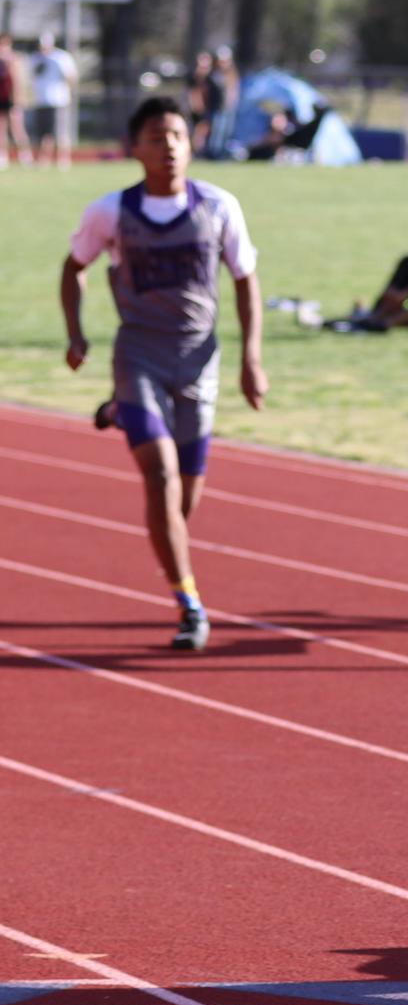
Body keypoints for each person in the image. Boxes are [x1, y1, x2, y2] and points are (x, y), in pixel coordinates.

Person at [59, 97, 266, 651]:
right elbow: (73, 268)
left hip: (199, 360)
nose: (168, 145)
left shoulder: (219, 205)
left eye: (176, 134)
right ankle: (190, 605)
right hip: (139, 354)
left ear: (191, 143)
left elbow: (245, 280)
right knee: (160, 479)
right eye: (155, 136)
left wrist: (251, 359)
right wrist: (76, 334)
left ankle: (121, 414)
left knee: (183, 501)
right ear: (135, 148)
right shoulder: (110, 212)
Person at [28, 32, 77, 169]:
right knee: (43, 133)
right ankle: (44, 160)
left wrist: (69, 93)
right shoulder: (35, 58)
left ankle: (63, 159)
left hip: (58, 100)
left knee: (60, 132)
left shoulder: (61, 57)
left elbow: (71, 76)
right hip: (40, 100)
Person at [0, 36, 23, 168]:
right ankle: (2, 156)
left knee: (17, 127)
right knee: (1, 128)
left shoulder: (13, 59)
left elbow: (17, 80)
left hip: (11, 98)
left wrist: (17, 98)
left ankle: (24, 155)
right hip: (1, 97)